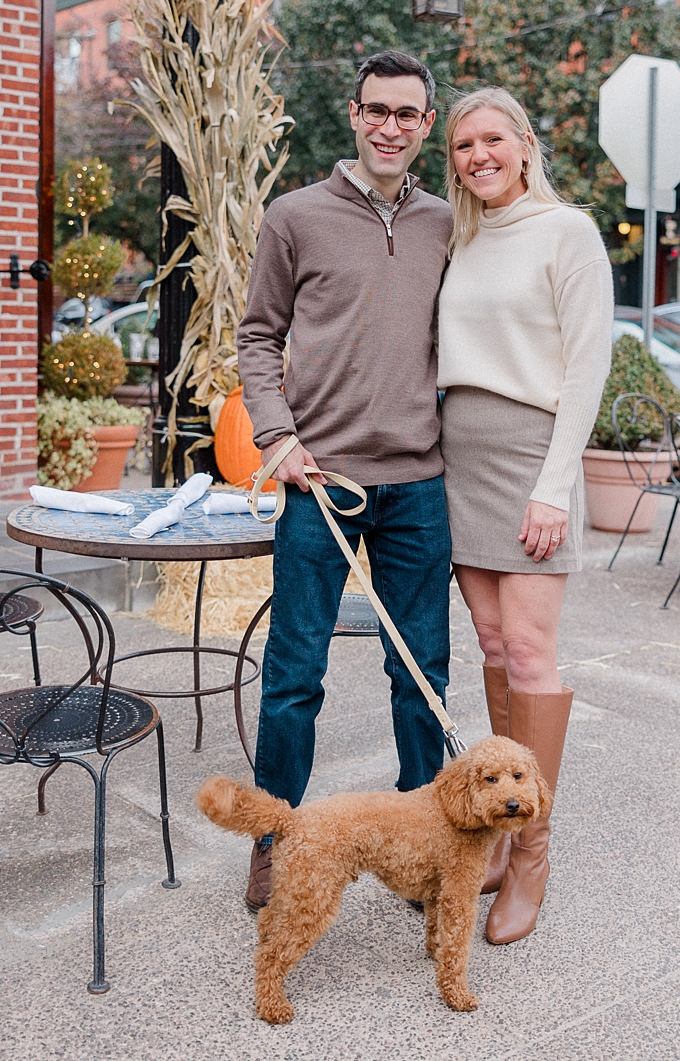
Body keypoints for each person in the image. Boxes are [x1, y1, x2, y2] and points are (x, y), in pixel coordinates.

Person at [236, 49, 454, 912]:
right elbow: (258, 336)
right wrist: (277, 436)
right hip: (318, 482)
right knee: (294, 675)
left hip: (420, 485)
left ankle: (423, 847)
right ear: (354, 114)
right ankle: (271, 844)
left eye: (408, 114)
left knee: (423, 676)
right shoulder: (296, 215)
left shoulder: (447, 221)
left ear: (426, 126)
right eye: (378, 111)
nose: (391, 127)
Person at [437, 86, 613, 945]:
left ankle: (534, 853)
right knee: (495, 648)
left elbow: (585, 366)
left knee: (534, 652)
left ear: (525, 144)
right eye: (464, 145)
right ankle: (503, 834)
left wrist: (556, 484)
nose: (479, 155)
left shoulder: (568, 231)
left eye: (493, 139)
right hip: (458, 457)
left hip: (529, 456)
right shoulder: (460, 235)